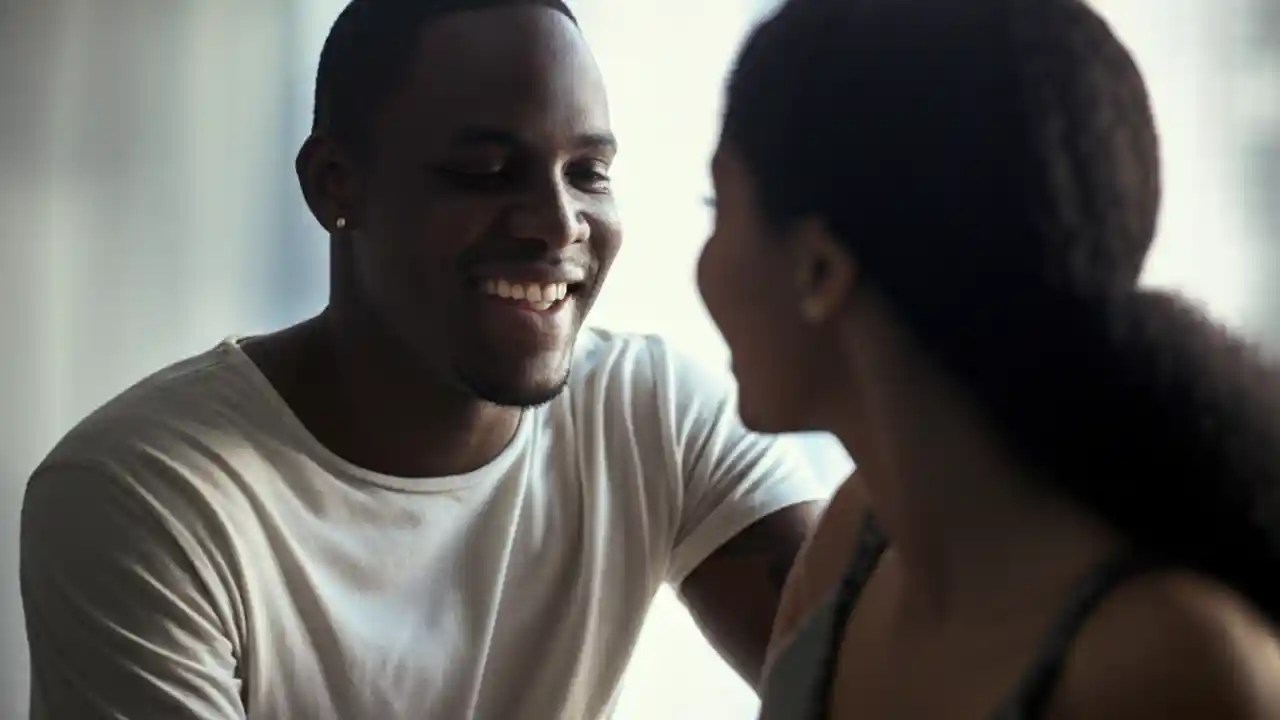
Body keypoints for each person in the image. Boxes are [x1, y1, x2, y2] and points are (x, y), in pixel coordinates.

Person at [19, 1, 824, 718]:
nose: (557, 222)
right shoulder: (144, 493)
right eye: (484, 171)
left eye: (588, 173)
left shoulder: (650, 410)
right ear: (336, 185)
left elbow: (871, 670)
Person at [697, 0, 1280, 717]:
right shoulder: (850, 546)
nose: (702, 264)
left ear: (819, 269)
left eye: (716, 207)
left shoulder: (1173, 667)